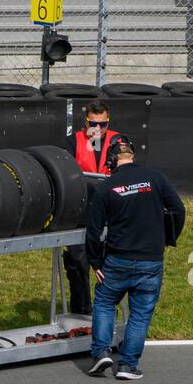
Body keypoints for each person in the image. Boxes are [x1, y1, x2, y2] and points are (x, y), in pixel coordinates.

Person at [84, 134, 185, 380]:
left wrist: (94, 262)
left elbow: (94, 230)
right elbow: (178, 209)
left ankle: (100, 354)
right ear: (132, 156)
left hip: (117, 260)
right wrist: (168, 238)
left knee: (105, 304)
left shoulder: (105, 187)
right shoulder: (156, 178)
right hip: (151, 260)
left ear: (111, 159)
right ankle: (128, 366)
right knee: (140, 314)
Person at [63, 100, 121, 316]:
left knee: (110, 264)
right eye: (93, 124)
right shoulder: (72, 142)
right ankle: (81, 310)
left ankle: (106, 310)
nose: (98, 129)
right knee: (78, 261)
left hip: (109, 212)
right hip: (81, 211)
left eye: (103, 124)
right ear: (85, 122)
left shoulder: (118, 142)